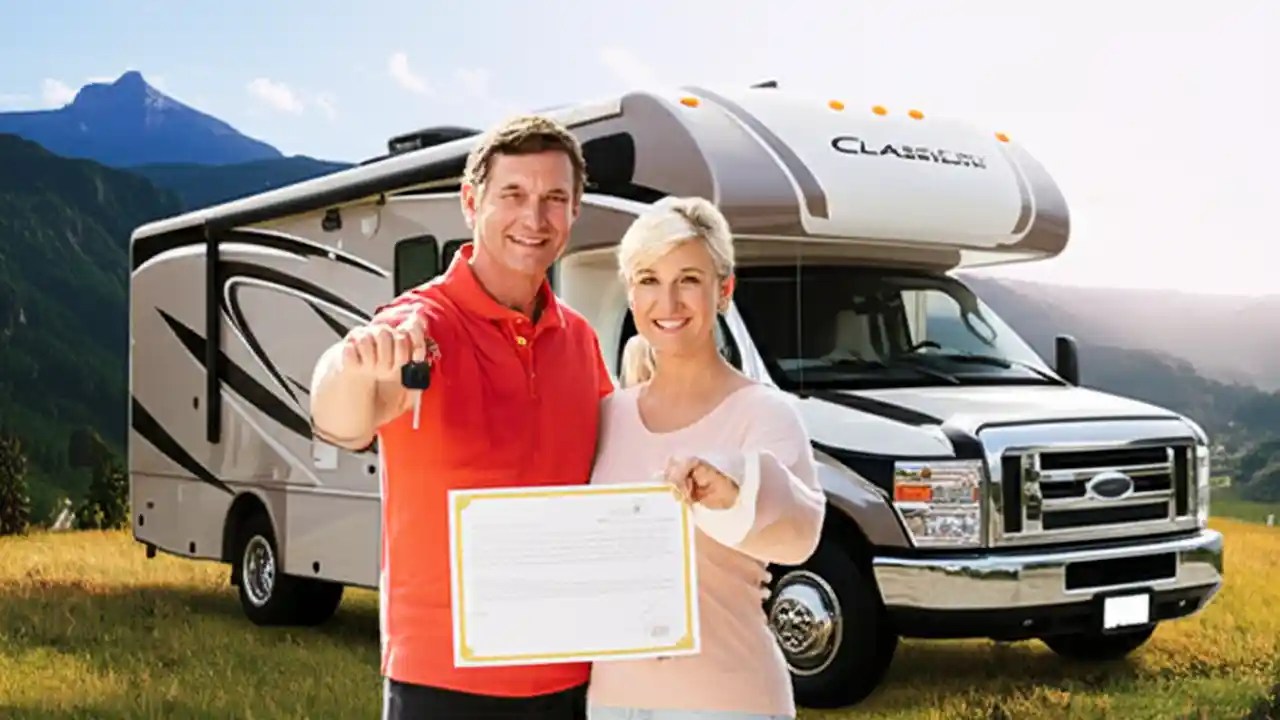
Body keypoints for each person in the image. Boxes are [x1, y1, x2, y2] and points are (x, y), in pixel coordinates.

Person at [308, 114, 614, 720]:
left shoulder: (580, 341)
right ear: (471, 202)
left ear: (575, 212)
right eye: (514, 195)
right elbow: (339, 419)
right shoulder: (418, 323)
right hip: (443, 682)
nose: (535, 219)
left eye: (555, 198)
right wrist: (351, 365)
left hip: (569, 670)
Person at [586, 196, 827, 720]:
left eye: (688, 279)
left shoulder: (764, 412)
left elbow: (800, 532)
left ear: (723, 290)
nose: (667, 302)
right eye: (649, 279)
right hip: (608, 700)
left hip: (725, 701)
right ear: (630, 293)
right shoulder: (607, 416)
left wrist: (736, 485)